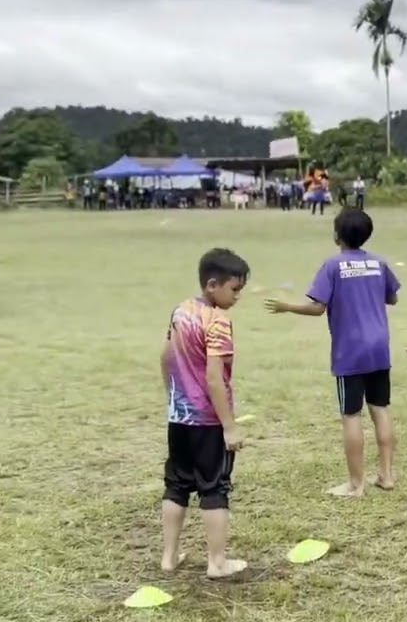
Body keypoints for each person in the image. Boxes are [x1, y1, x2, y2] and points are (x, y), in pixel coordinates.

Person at [265, 209, 400, 497]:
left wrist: (287, 306)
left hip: (350, 351)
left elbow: (317, 307)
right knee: (380, 408)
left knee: (351, 415)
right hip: (379, 347)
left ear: (337, 235)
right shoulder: (379, 263)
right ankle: (387, 475)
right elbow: (393, 297)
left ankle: (356, 484)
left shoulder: (333, 265)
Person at [159, 248, 251, 579]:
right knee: (215, 488)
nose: (238, 296)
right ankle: (217, 563)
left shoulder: (181, 311)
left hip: (179, 417)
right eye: (234, 289)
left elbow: (166, 356)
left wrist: (174, 398)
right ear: (213, 285)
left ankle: (169, 557)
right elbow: (214, 378)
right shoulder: (218, 321)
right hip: (208, 421)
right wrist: (229, 426)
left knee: (176, 485)